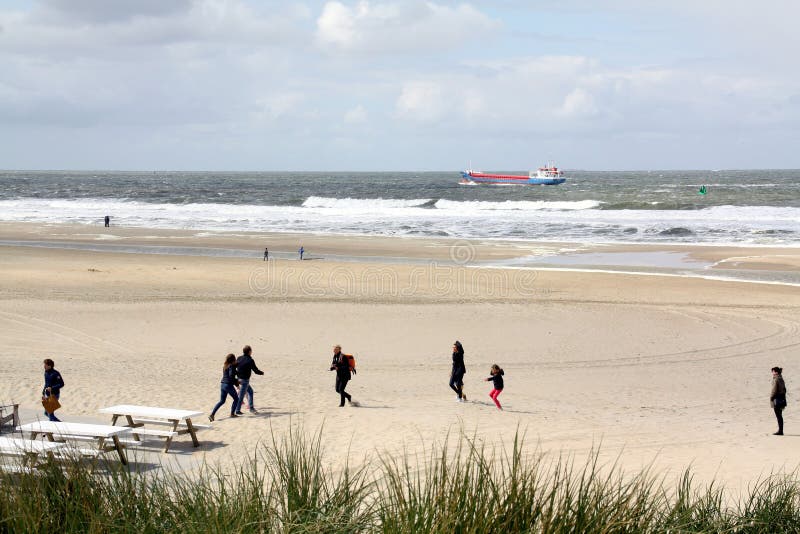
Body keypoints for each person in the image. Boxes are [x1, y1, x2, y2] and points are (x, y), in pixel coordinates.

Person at [234, 345, 264, 415]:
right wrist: (261, 373)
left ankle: (250, 407)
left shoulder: (239, 358)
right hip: (244, 380)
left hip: (239, 379)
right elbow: (255, 370)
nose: (251, 352)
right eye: (251, 351)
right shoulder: (250, 360)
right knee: (241, 395)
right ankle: (239, 410)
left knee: (250, 391)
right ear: (249, 352)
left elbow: (235, 366)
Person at [209, 354, 240, 421]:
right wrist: (237, 381)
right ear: (233, 360)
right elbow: (231, 375)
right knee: (236, 399)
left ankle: (212, 414)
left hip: (223, 384)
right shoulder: (231, 366)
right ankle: (232, 414)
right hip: (228, 385)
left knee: (222, 401)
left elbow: (231, 373)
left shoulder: (225, 366)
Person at [770, 366, 787, 435]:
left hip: (777, 399)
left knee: (778, 416)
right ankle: (780, 430)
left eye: (773, 371)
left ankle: (780, 431)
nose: (772, 373)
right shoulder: (781, 378)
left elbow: (774, 390)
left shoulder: (776, 379)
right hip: (782, 399)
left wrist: (772, 397)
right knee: (780, 415)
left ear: (776, 372)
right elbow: (784, 389)